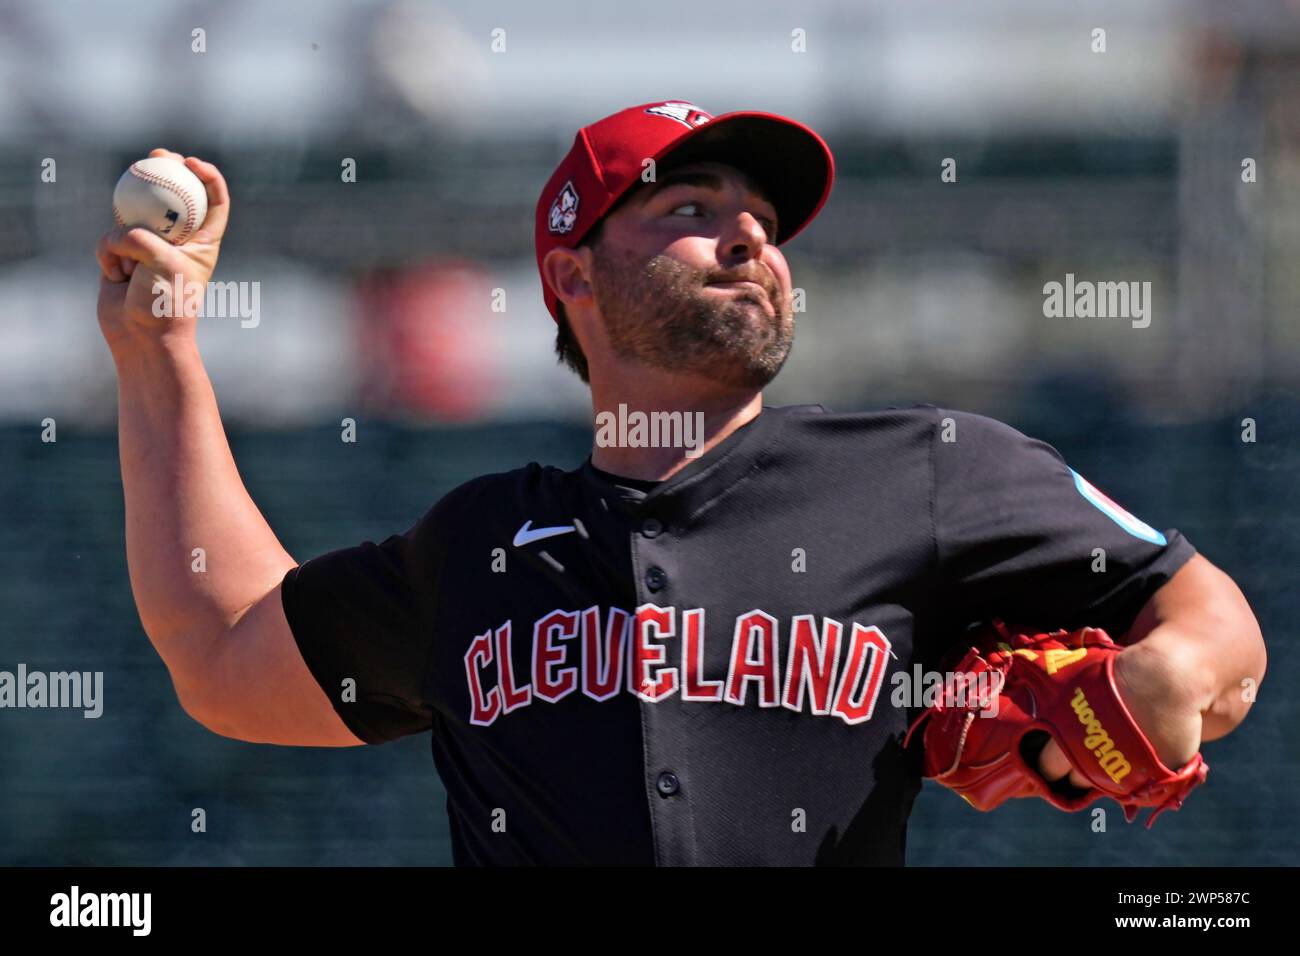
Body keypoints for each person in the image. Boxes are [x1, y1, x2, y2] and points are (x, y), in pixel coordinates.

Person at [94, 100, 1266, 865]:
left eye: (763, 219)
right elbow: (226, 655)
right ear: (572, 273)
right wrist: (161, 352)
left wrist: (1172, 669)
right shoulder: (484, 543)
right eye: (691, 210)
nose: (749, 237)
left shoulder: (927, 468)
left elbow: (1215, 627)